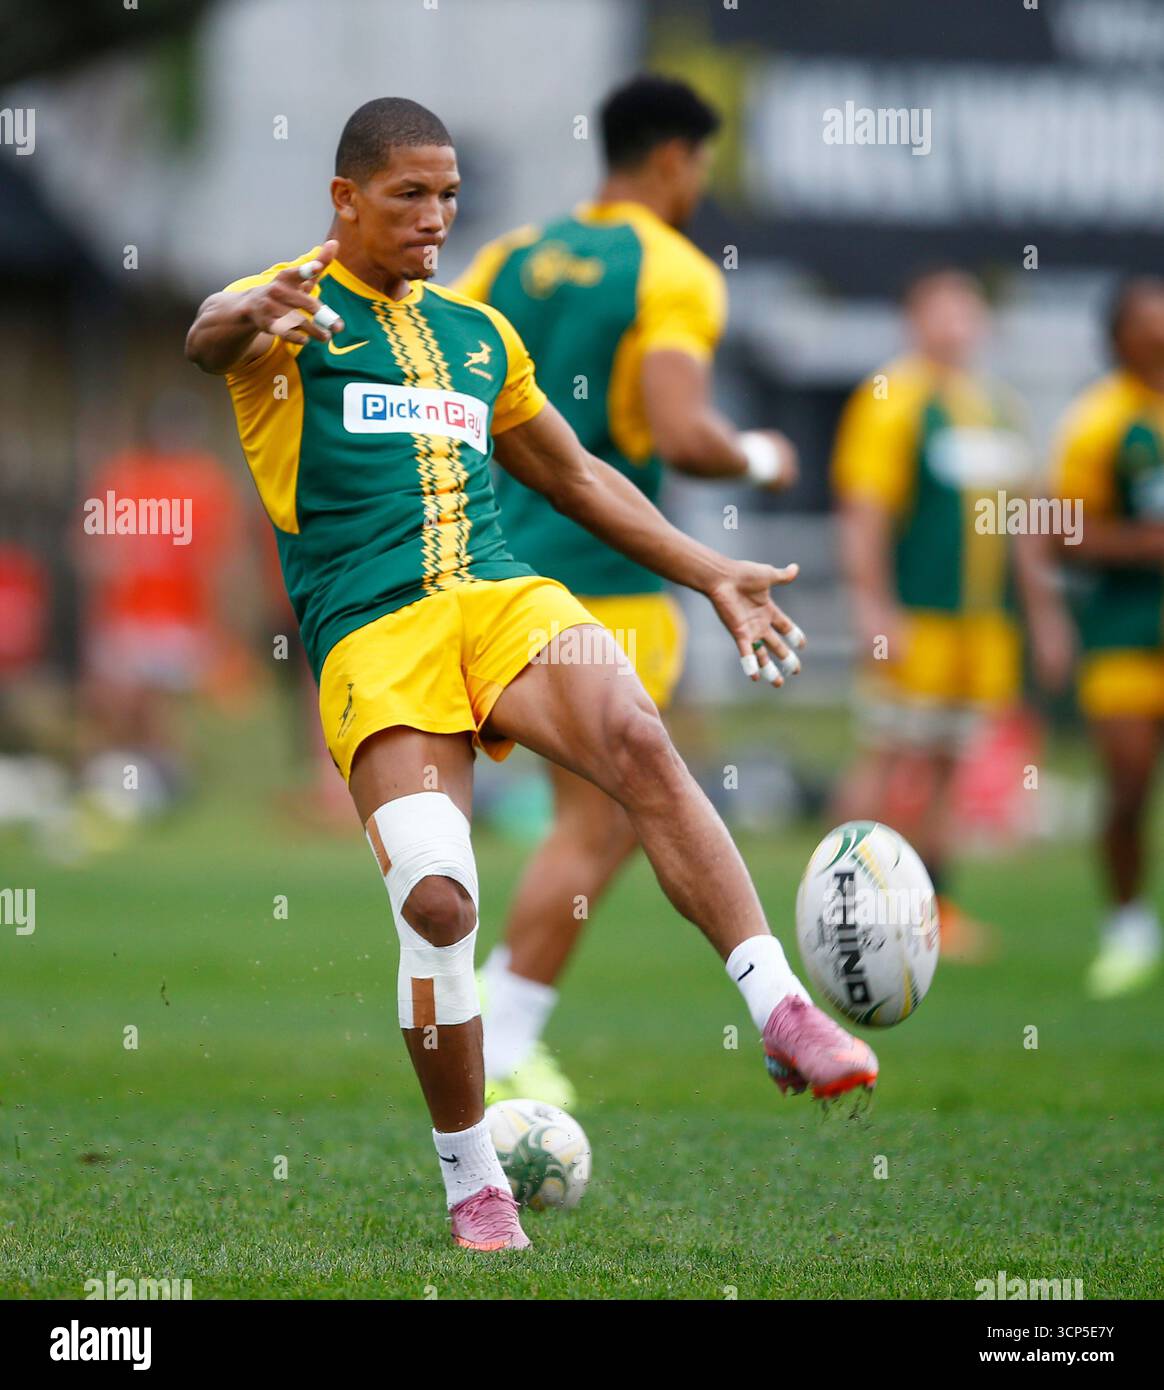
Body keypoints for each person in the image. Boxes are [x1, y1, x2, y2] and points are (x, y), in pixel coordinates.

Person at [186, 97, 876, 1253]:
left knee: (641, 739)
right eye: (410, 194)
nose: (435, 217)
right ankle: (471, 1177)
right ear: (346, 198)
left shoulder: (478, 333)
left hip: (504, 599)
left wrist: (712, 572)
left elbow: (580, 476)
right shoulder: (286, 313)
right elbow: (208, 335)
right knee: (440, 901)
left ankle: (782, 1009)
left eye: (449, 194)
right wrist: (247, 306)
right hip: (375, 630)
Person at [453, 75, 798, 1107]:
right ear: (670, 161)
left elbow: (455, 390)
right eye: (697, 165)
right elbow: (687, 432)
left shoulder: (505, 256)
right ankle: (502, 1031)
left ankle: (491, 1016)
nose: (698, 185)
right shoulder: (674, 268)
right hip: (609, 581)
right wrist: (765, 455)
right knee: (601, 821)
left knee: (549, 816)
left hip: (489, 572)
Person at [830, 267, 1070, 960]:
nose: (958, 326)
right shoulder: (892, 399)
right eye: (944, 311)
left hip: (982, 628)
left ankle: (932, 904)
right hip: (917, 618)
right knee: (887, 752)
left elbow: (1023, 527)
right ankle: (840, 897)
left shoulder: (997, 406)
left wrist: (1044, 617)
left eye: (969, 313)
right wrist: (873, 606)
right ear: (915, 318)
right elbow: (865, 511)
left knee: (947, 764)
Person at [1049, 275, 1164, 999]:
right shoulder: (1099, 420)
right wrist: (1144, 546)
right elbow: (1060, 533)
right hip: (1125, 631)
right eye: (1146, 318)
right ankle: (1126, 925)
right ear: (1117, 336)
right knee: (1127, 784)